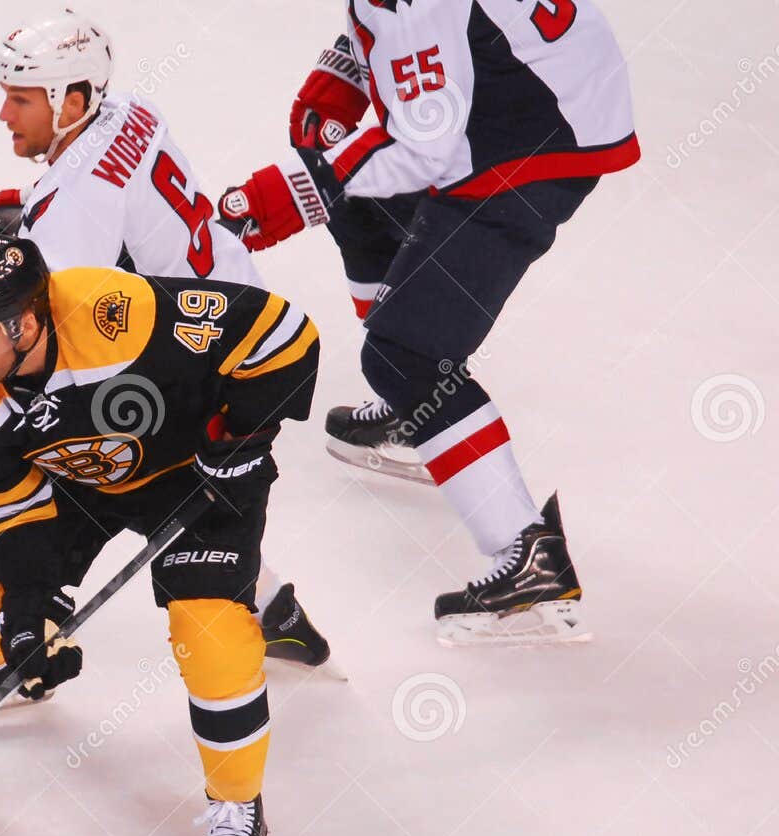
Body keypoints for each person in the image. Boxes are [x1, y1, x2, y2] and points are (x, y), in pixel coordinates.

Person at [0, 232, 320, 836]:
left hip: (198, 477)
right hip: (75, 486)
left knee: (211, 638)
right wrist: (26, 617)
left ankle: (237, 805)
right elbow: (3, 517)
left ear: (26, 322)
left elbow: (281, 333)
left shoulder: (115, 316)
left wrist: (245, 438)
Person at [216, 0, 638, 645]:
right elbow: (427, 42)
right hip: (528, 91)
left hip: (532, 143)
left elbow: (420, 145)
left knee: (404, 355)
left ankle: (530, 558)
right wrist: (348, 71)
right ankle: (419, 413)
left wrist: (294, 191)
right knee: (359, 203)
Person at [0, 8, 332, 668]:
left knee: (65, 457)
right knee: (179, 499)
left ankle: (34, 626)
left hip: (200, 363)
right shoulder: (130, 108)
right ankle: (276, 612)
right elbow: (110, 202)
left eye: (19, 99)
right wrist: (33, 219)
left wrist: (0, 277)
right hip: (232, 309)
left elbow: (48, 334)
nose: (4, 114)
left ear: (71, 99)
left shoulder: (72, 211)